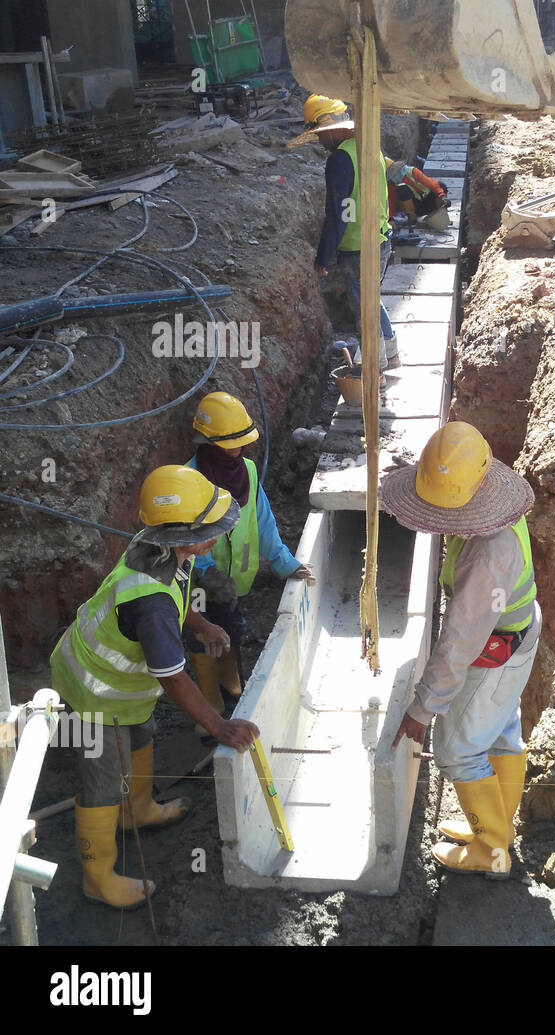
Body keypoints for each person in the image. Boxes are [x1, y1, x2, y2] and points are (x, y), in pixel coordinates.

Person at [49, 465, 260, 909]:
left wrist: (199, 623)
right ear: (182, 536)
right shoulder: (149, 602)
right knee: (104, 780)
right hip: (94, 694)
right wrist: (219, 726)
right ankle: (98, 876)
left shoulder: (159, 547)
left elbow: (176, 601)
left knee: (142, 735)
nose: (216, 538)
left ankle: (137, 809)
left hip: (123, 692)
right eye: (209, 531)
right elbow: (174, 677)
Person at [383, 422, 540, 878]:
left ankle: (492, 852)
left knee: (455, 751)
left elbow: (459, 640)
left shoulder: (489, 553)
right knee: (501, 732)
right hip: (517, 630)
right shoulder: (485, 484)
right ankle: (498, 829)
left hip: (495, 648)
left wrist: (423, 708)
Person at [185, 391, 314, 728]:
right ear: (208, 442)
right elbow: (180, 536)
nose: (238, 449)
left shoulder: (249, 473)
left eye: (241, 442)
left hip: (235, 583)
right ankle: (209, 710)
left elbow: (264, 522)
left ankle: (232, 691)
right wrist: (206, 571)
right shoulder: (188, 482)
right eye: (230, 443)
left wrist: (286, 563)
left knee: (231, 632)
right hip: (195, 585)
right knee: (202, 638)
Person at [290, 95, 447, 368]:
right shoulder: (369, 148)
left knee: (364, 310)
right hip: (380, 240)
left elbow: (339, 214)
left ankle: (375, 368)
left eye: (321, 135)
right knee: (371, 300)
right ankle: (391, 352)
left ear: (333, 130)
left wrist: (323, 257)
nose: (321, 142)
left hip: (358, 248)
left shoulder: (339, 160)